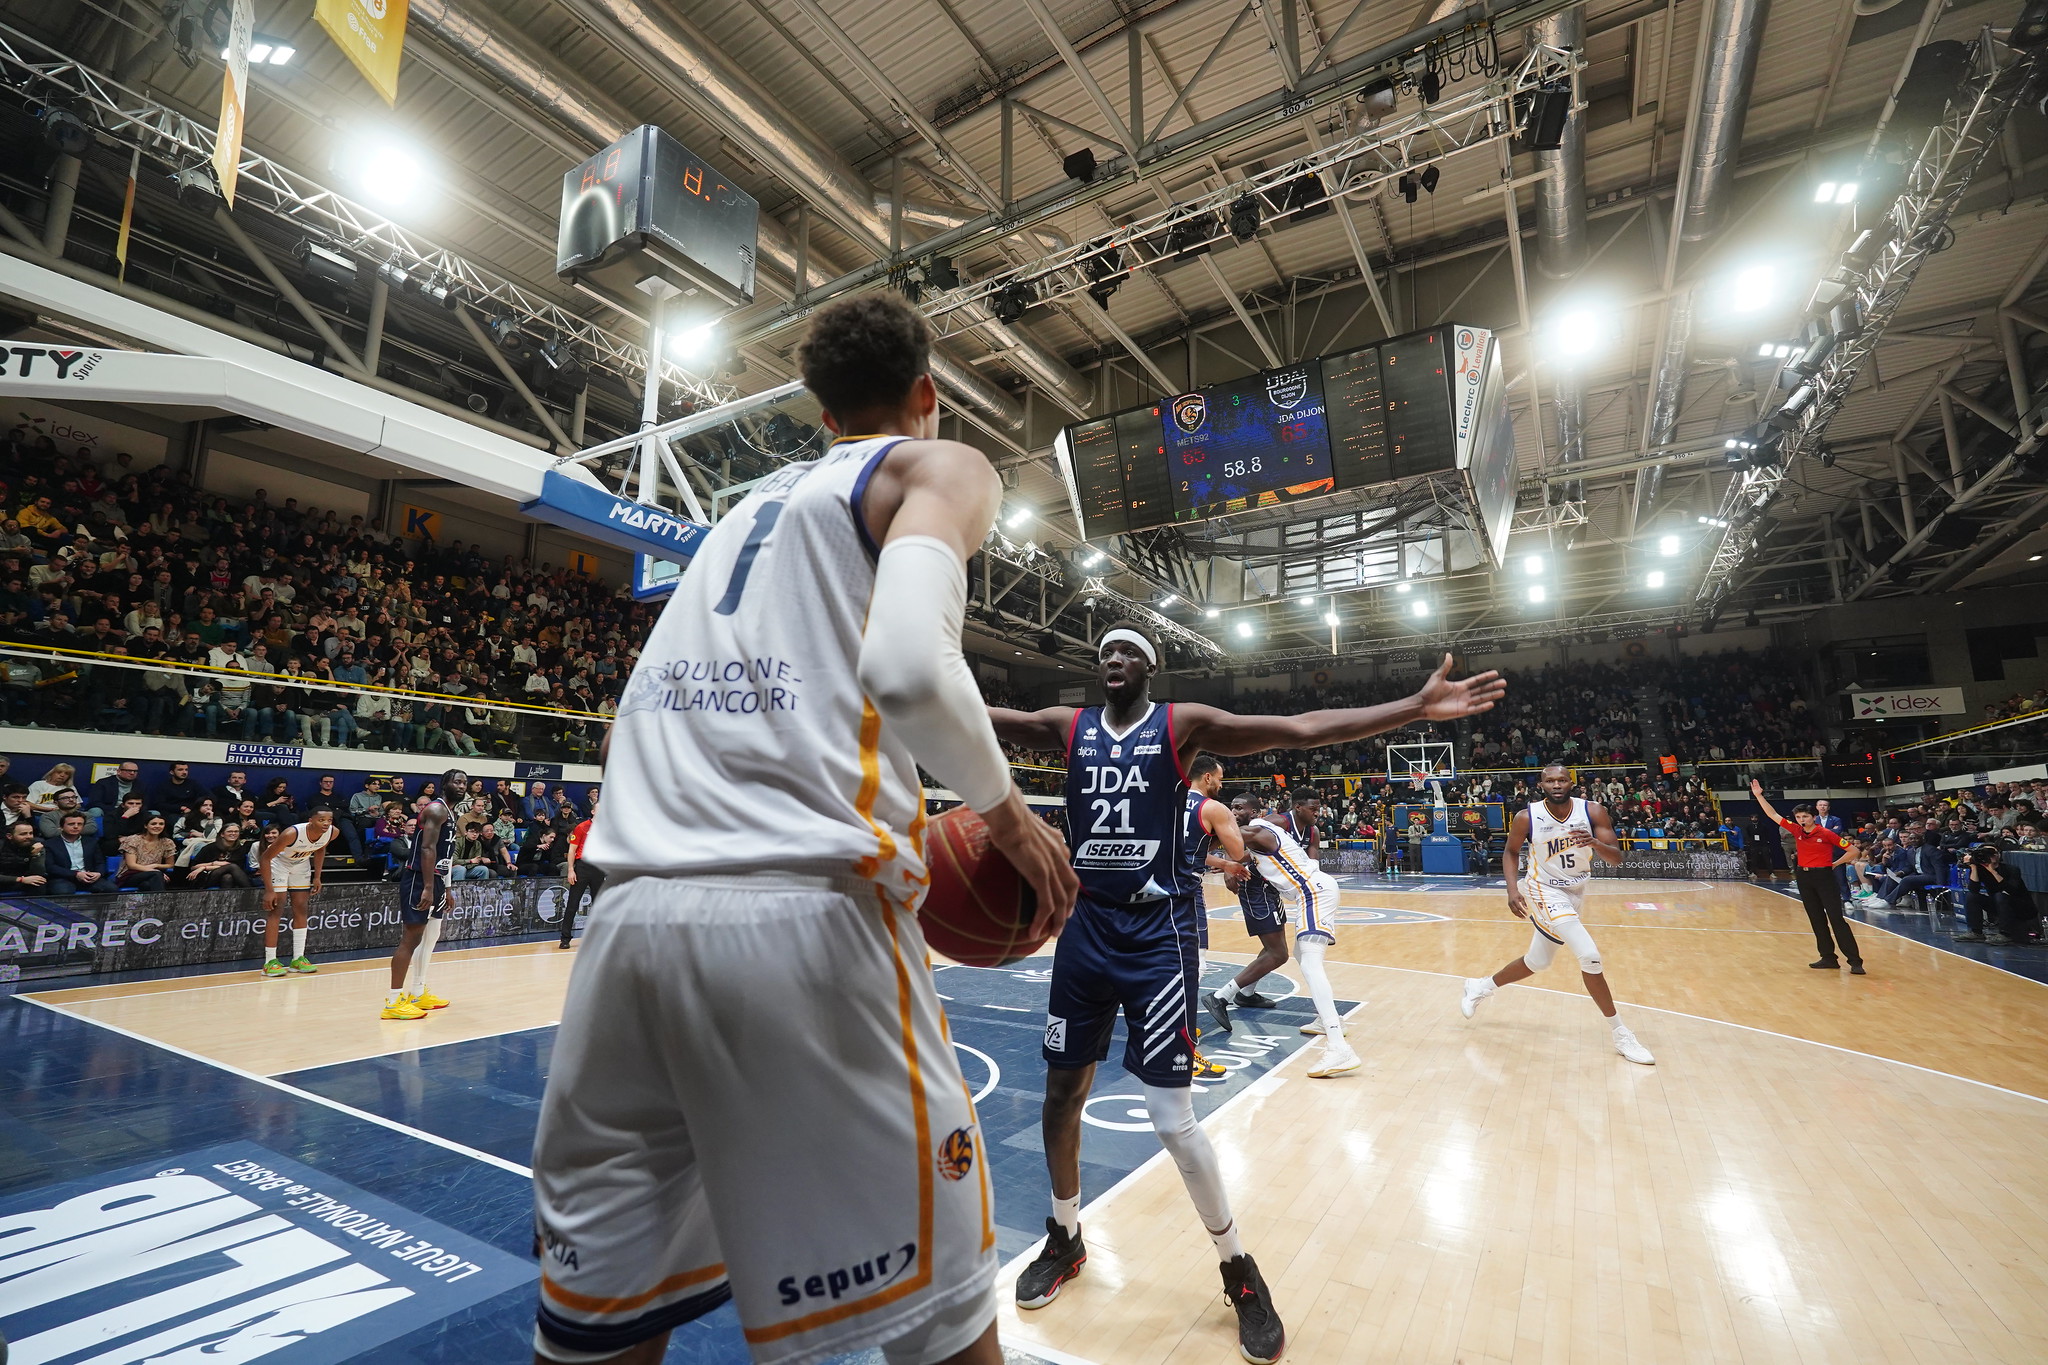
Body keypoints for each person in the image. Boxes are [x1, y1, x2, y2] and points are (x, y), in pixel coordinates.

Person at [529, 295, 1077, 1365]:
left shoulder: (740, 518)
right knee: (945, 1332)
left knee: (597, 1340)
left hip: (624, 933)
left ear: (823, 414)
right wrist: (1006, 818)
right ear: (926, 396)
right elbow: (911, 672)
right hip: (800, 922)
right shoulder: (940, 467)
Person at [989, 628, 1503, 1362]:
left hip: (1158, 936)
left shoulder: (1182, 723)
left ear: (1151, 667)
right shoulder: (1064, 726)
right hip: (1084, 931)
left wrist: (1413, 709)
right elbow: (972, 715)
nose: (1112, 657)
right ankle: (1065, 1233)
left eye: (1128, 649)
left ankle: (1238, 1267)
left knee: (1170, 1115)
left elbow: (1299, 730)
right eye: (1104, 648)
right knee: (1059, 1093)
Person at [1458, 764, 1655, 1064]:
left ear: (1571, 783)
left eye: (1562, 779)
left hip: (1575, 891)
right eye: (1550, 780)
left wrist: (1594, 843)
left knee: (1538, 961)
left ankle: (1480, 986)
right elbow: (1511, 852)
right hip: (1541, 889)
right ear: (1542, 785)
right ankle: (1621, 1034)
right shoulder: (1528, 817)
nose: (1557, 784)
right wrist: (1512, 891)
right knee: (1589, 956)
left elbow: (1616, 858)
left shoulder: (1593, 812)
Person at [1222, 793, 1360, 1076]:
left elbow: (1225, 835)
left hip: (1313, 892)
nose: (1233, 813)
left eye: (1238, 809)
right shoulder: (1267, 829)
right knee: (1299, 953)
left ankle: (1338, 1047)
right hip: (1312, 891)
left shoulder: (1257, 830)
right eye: (1230, 809)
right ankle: (1326, 1020)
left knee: (1310, 963)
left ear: (1255, 811)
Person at [1751, 779, 1864, 974]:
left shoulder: (1826, 833)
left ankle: (1855, 961)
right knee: (1816, 919)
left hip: (1824, 877)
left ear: (1813, 817)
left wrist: (1835, 863)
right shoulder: (1796, 830)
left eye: (1805, 816)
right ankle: (1828, 957)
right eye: (1798, 816)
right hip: (1805, 877)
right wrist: (1759, 795)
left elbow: (1854, 851)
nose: (1802, 819)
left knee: (1836, 919)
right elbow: (1772, 814)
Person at [387, 767, 465, 1020]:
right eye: (457, 782)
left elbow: (445, 855)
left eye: (466, 782)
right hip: (420, 880)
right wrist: (430, 887)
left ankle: (418, 992)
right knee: (410, 939)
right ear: (445, 784)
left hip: (438, 881)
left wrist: (448, 888)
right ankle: (392, 1002)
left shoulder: (450, 812)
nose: (463, 786)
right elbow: (428, 850)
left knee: (431, 937)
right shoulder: (436, 809)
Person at [256, 809, 335, 976]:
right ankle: (269, 961)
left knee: (301, 908)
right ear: (310, 820)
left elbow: (320, 849)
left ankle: (298, 959)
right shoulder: (292, 833)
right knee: (277, 909)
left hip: (301, 864)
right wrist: (269, 890)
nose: (326, 823)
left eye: (329, 819)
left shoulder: (332, 832)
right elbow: (265, 858)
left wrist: (317, 876)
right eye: (322, 820)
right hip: (279, 864)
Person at [1958, 845, 2039, 944]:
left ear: (1998, 855)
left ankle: (2005, 934)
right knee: (1972, 896)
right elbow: (1974, 889)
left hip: (2020, 906)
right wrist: (1973, 867)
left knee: (2000, 895)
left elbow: (2010, 890)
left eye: (1992, 853)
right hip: (1998, 904)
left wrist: (1993, 871)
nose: (1991, 856)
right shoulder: (1980, 870)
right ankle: (1976, 932)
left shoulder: (2011, 869)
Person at [559, 797, 600, 950]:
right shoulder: (582, 827)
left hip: (599, 867)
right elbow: (572, 850)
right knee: (572, 904)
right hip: (582, 866)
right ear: (593, 811)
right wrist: (571, 869)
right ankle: (565, 938)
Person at [46, 810, 108, 893]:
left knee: (110, 888)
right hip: (63, 878)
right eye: (71, 824)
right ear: (61, 827)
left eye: (79, 824)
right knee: (63, 891)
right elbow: (50, 867)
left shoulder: (92, 842)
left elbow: (100, 862)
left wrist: (98, 873)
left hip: (88, 876)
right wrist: (76, 874)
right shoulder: (50, 844)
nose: (76, 827)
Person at [116, 814, 176, 891]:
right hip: (130, 875)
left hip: (153, 876)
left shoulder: (167, 842)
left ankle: (154, 902)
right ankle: (162, 901)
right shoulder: (133, 840)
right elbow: (132, 865)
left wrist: (155, 865)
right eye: (153, 824)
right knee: (156, 875)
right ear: (145, 826)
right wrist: (154, 871)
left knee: (147, 885)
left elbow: (170, 864)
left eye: (161, 824)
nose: (157, 826)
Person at [187, 822, 254, 889]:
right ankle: (250, 891)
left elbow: (236, 868)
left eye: (236, 831)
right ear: (222, 834)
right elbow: (193, 867)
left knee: (228, 877)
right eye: (229, 831)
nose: (233, 833)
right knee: (231, 867)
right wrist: (212, 864)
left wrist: (205, 867)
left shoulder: (240, 849)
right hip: (206, 877)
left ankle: (227, 899)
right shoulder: (209, 848)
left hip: (229, 878)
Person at [0, 820, 48, 891]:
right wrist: (20, 879)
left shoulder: (37, 846)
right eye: (23, 834)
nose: (28, 837)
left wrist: (35, 856)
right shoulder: (1, 846)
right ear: (9, 836)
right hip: (4, 880)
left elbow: (38, 873)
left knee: (39, 884)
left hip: (25, 880)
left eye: (31, 833)